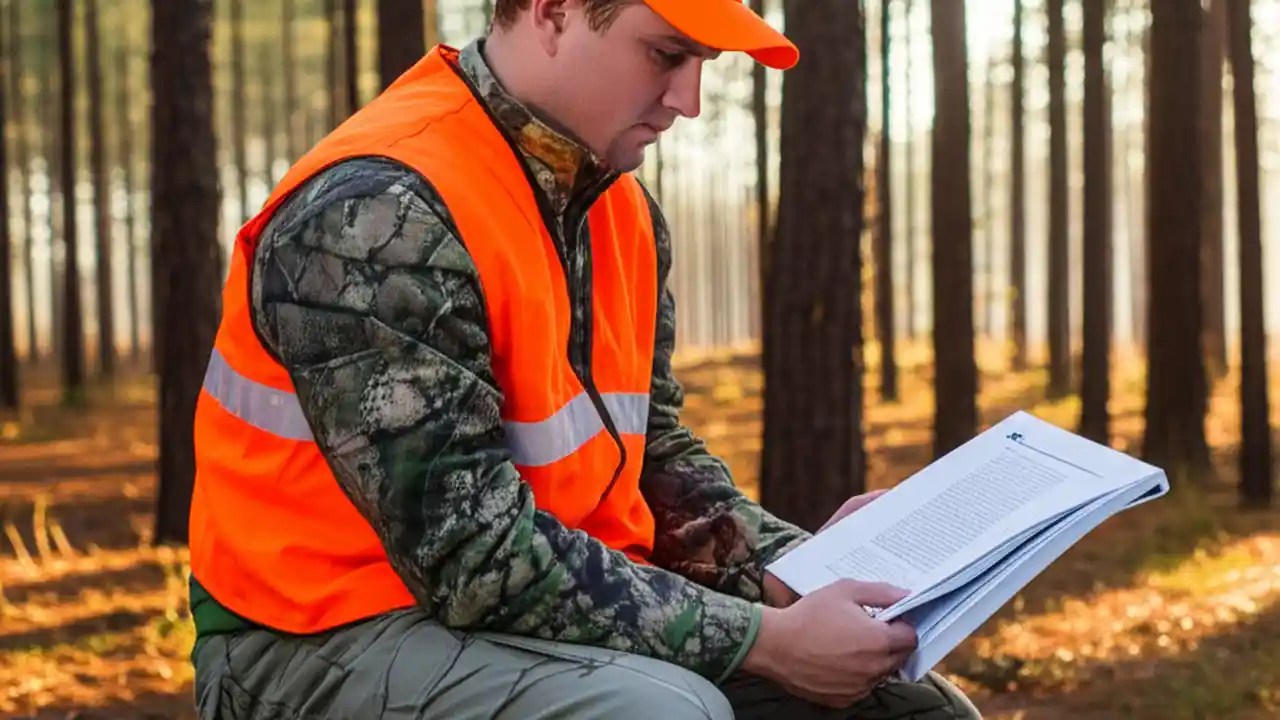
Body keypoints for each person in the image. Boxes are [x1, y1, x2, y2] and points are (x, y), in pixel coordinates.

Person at [187, 1, 983, 718]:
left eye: (703, 63)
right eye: (667, 55)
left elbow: (652, 457)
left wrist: (795, 565)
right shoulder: (376, 212)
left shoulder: (618, 208)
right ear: (553, 10)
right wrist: (765, 639)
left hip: (545, 613)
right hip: (312, 639)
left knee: (913, 708)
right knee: (661, 714)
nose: (690, 102)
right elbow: (473, 556)